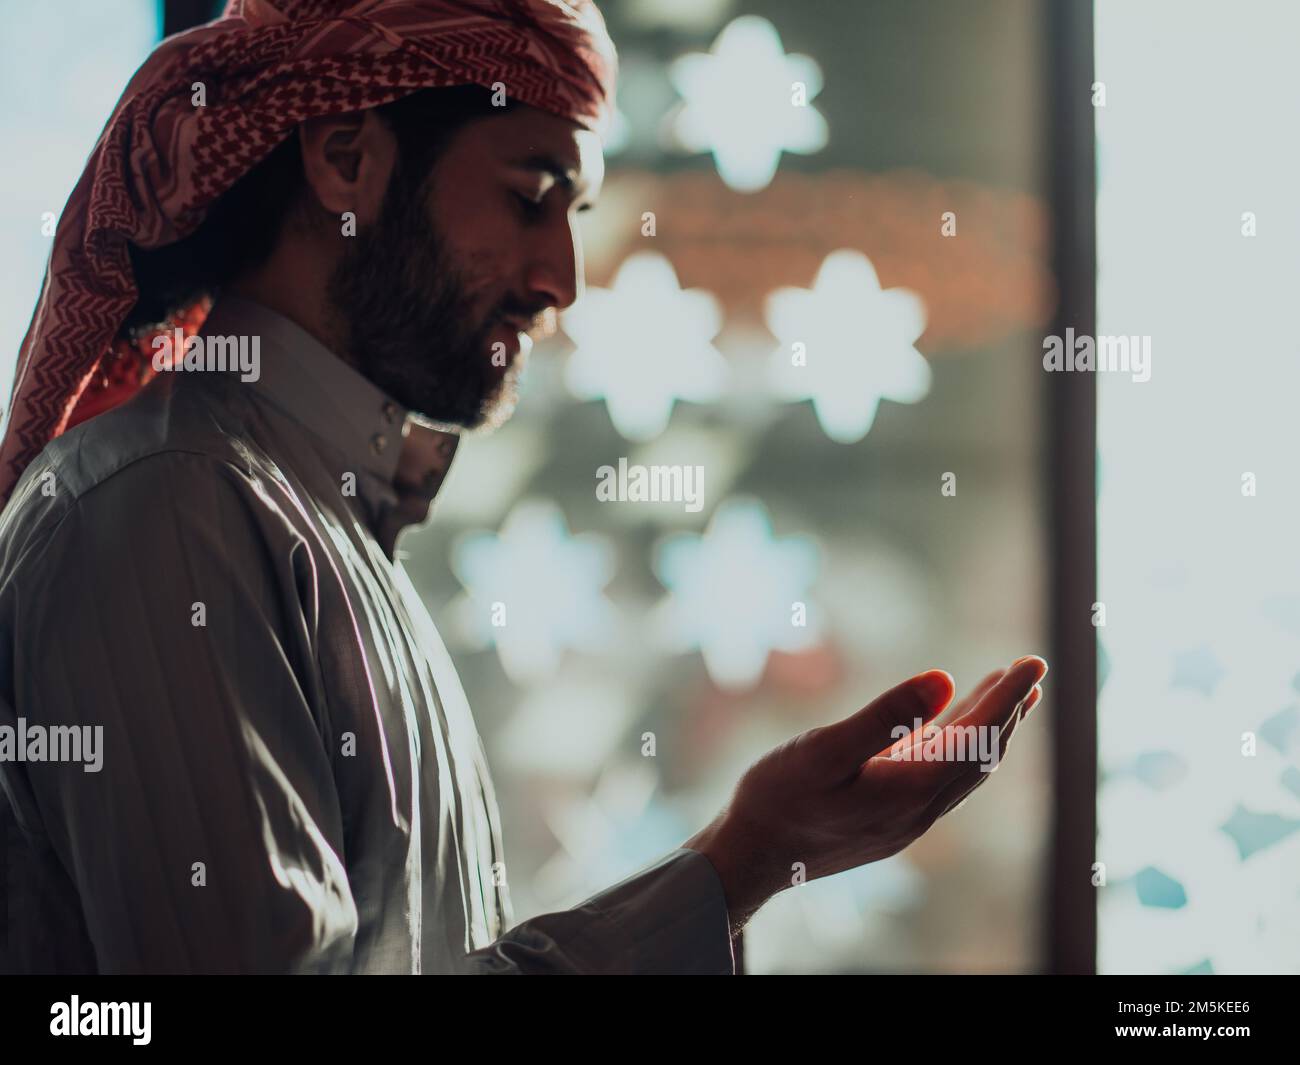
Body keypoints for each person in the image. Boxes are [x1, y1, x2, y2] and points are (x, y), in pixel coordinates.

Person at [0, 0, 1047, 974]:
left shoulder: (311, 514)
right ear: (345, 160)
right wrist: (737, 866)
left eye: (575, 213)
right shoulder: (169, 508)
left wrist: (756, 859)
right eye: (530, 197)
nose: (561, 281)